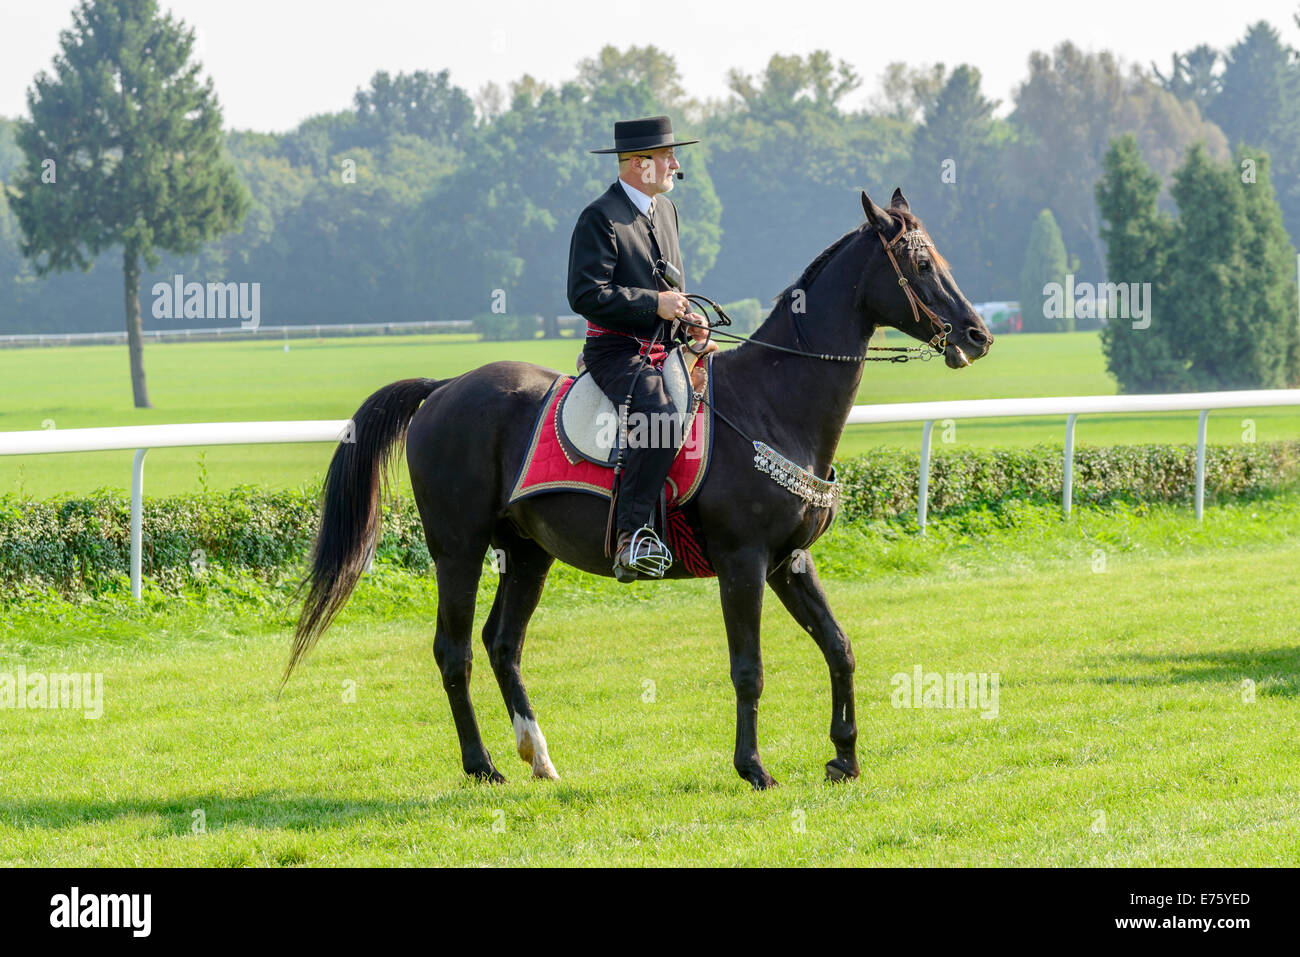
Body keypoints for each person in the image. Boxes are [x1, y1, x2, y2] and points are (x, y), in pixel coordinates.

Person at [567, 115, 711, 580]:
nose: (675, 164)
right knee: (664, 418)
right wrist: (657, 304)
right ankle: (633, 536)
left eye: (672, 155)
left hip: (664, 349)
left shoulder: (665, 211)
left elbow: (674, 292)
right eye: (667, 156)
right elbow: (586, 295)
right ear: (636, 164)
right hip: (615, 352)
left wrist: (691, 321)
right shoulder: (598, 217)